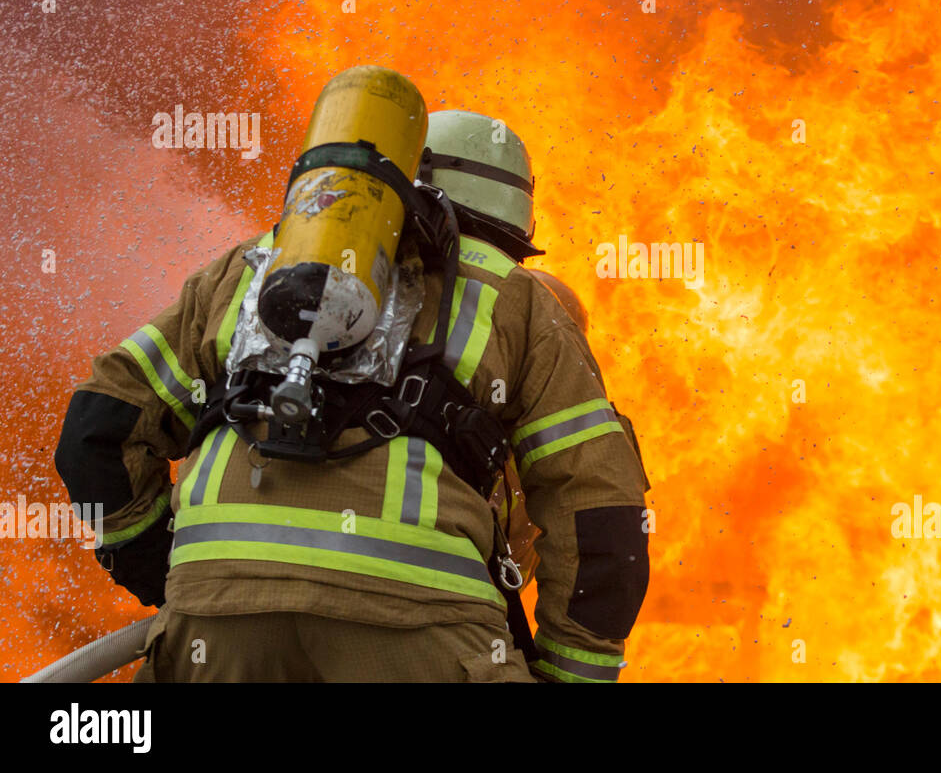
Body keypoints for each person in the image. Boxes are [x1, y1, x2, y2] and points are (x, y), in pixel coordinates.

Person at [54, 105, 651, 682]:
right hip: (420, 629)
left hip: (215, 623)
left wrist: (182, 579)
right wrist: (571, 675)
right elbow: (600, 513)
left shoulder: (247, 270)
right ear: (511, 228)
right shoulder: (519, 301)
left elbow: (96, 431)